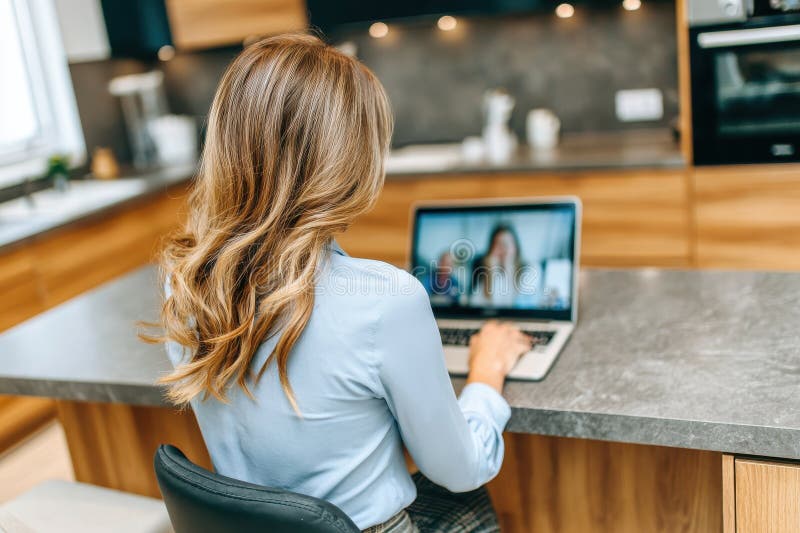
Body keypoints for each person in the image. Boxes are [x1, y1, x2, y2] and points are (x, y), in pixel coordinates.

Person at [146, 34, 533, 533]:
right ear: (350, 160)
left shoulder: (185, 286)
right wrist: (486, 376)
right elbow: (458, 470)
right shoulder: (385, 301)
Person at [470, 224, 538, 308]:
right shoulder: (487, 271)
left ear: (516, 247)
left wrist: (508, 270)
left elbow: (518, 306)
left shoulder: (530, 269)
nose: (503, 249)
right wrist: (491, 273)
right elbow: (475, 305)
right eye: (498, 244)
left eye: (507, 244)